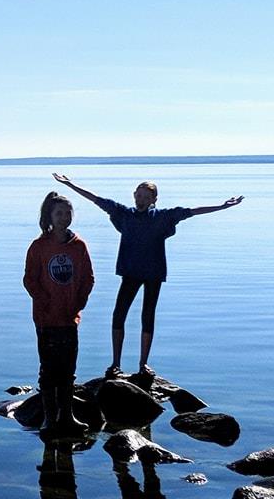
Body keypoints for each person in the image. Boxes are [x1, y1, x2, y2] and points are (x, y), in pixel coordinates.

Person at [50, 173, 243, 381]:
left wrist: (222, 207)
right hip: (130, 273)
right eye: (138, 195)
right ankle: (115, 363)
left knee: (147, 316)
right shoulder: (124, 214)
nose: (140, 199)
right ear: (134, 195)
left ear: (154, 200)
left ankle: (143, 364)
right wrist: (70, 184)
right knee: (119, 315)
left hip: (153, 273)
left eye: (145, 197)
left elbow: (193, 211)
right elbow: (96, 199)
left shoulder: (163, 217)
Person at [24, 192, 95, 439]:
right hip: (46, 319)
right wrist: (46, 301)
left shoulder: (78, 246)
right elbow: (30, 280)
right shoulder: (39, 247)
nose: (64, 218)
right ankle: (49, 417)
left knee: (68, 369)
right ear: (49, 217)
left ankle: (68, 416)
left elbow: (88, 278)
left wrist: (79, 302)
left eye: (67, 213)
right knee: (49, 369)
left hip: (69, 318)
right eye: (59, 214)